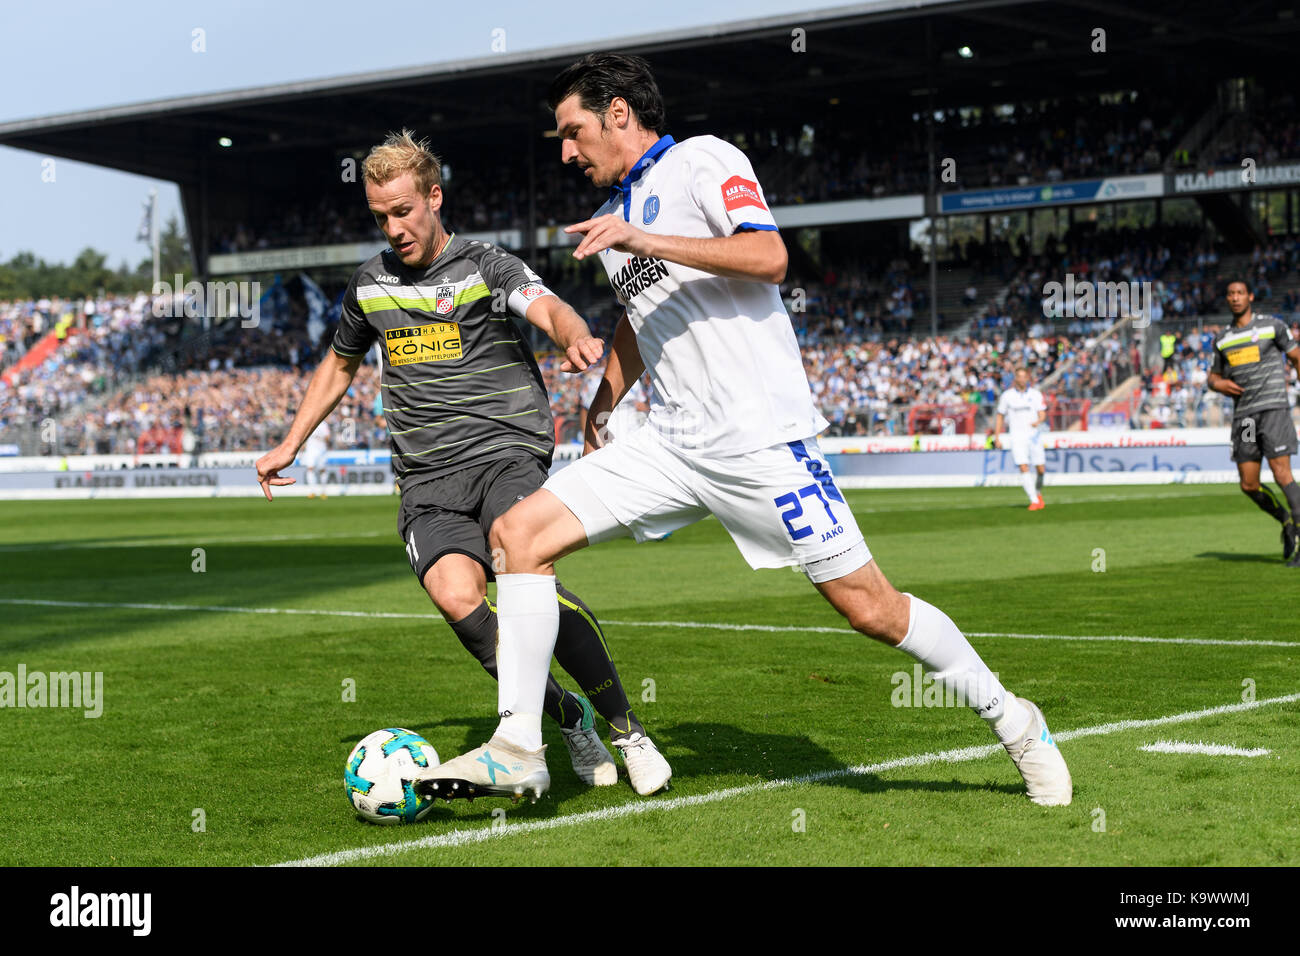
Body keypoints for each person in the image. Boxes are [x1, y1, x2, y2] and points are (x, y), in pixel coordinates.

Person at [417, 54, 1071, 807]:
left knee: (872, 609)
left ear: (619, 113)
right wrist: (603, 405)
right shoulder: (622, 216)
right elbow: (641, 320)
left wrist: (647, 241)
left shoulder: (704, 161)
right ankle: (519, 748)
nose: (565, 152)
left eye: (573, 132)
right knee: (519, 536)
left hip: (761, 442)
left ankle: (1017, 722)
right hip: (671, 443)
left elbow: (769, 256)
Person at [254, 129, 667, 792]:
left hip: (506, 454)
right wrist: (290, 442)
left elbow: (547, 306)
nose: (393, 228)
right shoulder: (369, 286)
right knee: (456, 597)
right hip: (426, 478)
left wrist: (574, 334)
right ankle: (568, 715)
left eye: (403, 211)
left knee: (535, 586)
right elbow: (338, 364)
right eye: (380, 216)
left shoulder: (486, 267)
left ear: (434, 197)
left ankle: (627, 729)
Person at [1207, 278, 1300, 566]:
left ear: (1250, 296)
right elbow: (1213, 376)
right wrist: (1218, 384)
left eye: (1240, 293)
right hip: (1244, 418)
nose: (1235, 298)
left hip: (1272, 409)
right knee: (1248, 484)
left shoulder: (1272, 326)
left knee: (1282, 474)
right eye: (1230, 294)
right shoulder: (1222, 339)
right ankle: (1285, 521)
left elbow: (1296, 355)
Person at [991, 366, 1047, 510]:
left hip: (1034, 436)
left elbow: (1042, 414)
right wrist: (997, 437)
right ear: (1015, 378)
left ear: (1028, 378)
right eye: (1019, 376)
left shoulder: (1036, 394)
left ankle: (1037, 492)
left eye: (1024, 376)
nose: (1022, 379)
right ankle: (1034, 500)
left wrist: (1038, 421)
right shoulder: (1007, 396)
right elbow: (1000, 416)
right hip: (1016, 436)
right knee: (1023, 466)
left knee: (1040, 469)